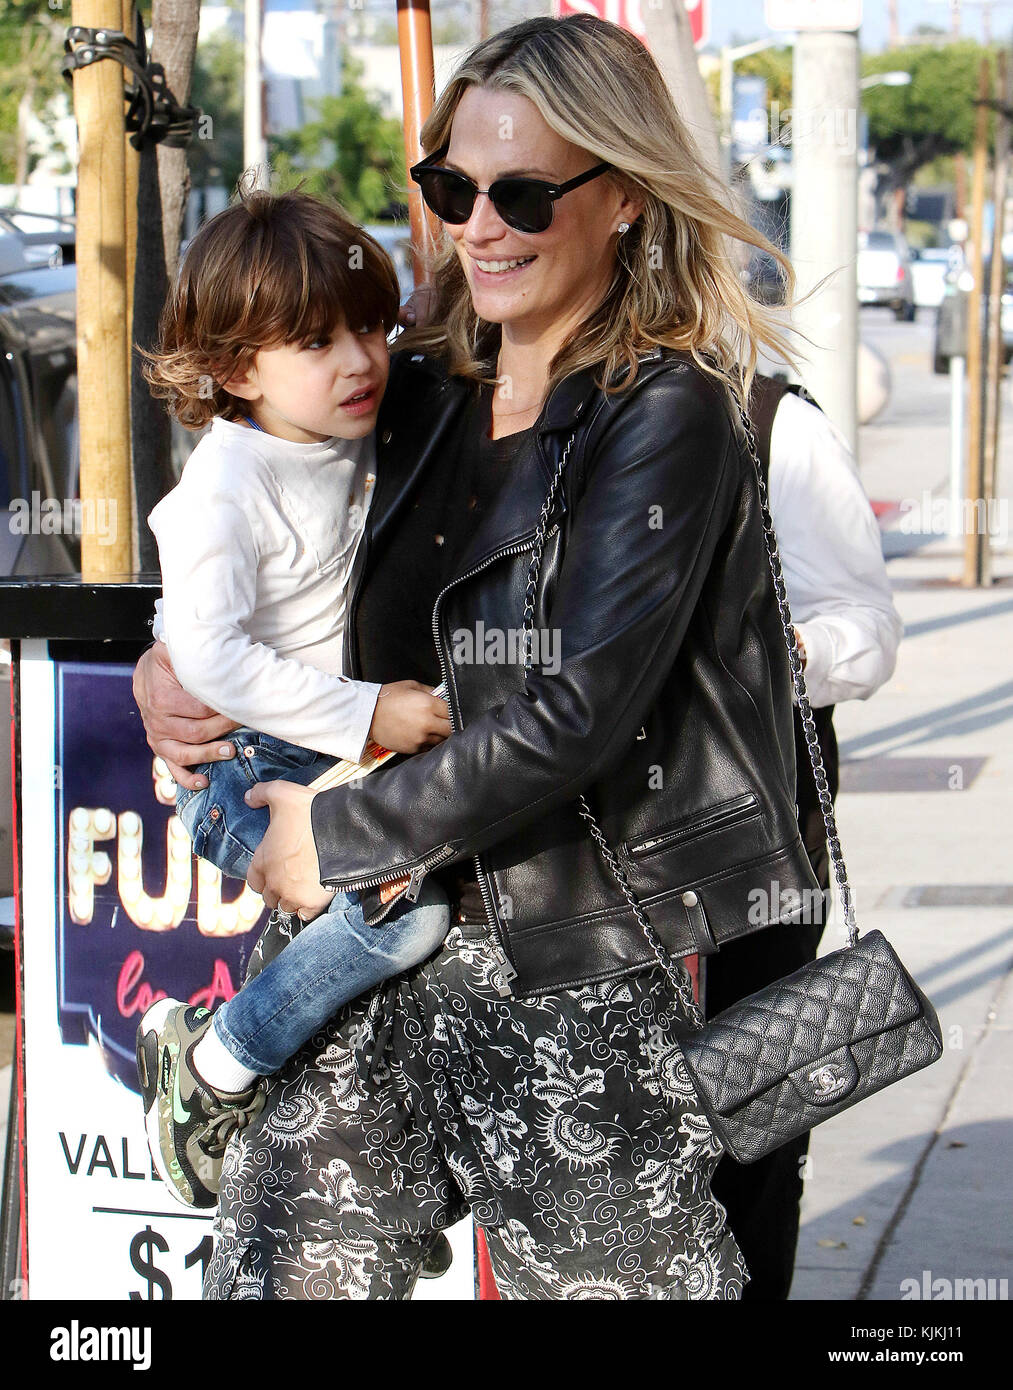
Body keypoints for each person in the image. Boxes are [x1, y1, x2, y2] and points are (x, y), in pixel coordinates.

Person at [134, 14, 825, 1300]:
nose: (479, 227)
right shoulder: (415, 384)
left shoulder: (663, 415)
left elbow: (576, 712)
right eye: (449, 187)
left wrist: (331, 834)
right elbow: (263, 533)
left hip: (568, 969)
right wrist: (168, 668)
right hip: (370, 961)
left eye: (520, 193)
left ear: (620, 196)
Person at [133, 187, 453, 1209]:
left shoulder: (352, 430)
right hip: (245, 771)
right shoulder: (224, 486)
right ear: (233, 368)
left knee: (405, 919)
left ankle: (387, 1186)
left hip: (322, 758)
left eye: (369, 324)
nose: (358, 359)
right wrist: (369, 713)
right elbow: (208, 655)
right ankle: (213, 1064)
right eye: (315, 340)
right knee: (403, 919)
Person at [706, 373, 902, 1300]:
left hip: (756, 869)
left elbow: (864, 630)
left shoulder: (766, 421)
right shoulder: (473, 396)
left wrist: (773, 650)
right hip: (552, 875)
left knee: (751, 1147)